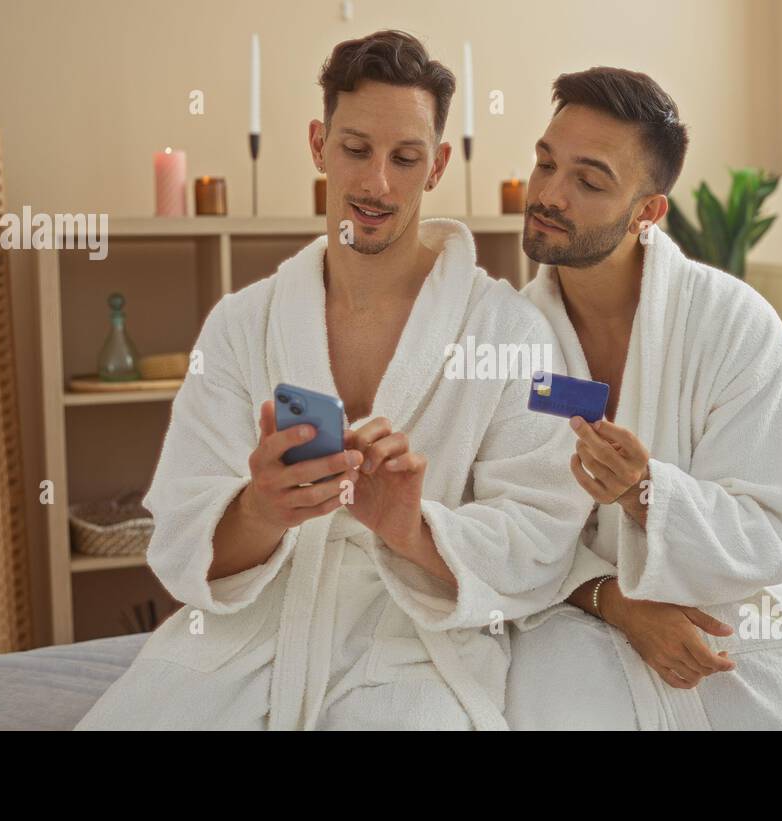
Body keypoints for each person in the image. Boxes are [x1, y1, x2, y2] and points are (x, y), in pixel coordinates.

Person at [77, 30, 589, 731]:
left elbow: (540, 539)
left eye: (405, 157)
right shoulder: (242, 324)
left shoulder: (507, 334)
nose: (377, 183)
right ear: (318, 144)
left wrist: (412, 529)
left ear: (437, 165)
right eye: (355, 150)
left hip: (414, 648)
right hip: (250, 637)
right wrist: (259, 510)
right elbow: (180, 534)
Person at [505, 67, 782, 730]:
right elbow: (503, 523)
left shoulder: (737, 328)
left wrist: (646, 493)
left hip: (731, 600)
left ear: (647, 212)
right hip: (571, 604)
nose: (549, 194)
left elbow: (777, 530)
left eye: (588, 180)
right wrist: (618, 601)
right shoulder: (513, 342)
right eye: (545, 162)